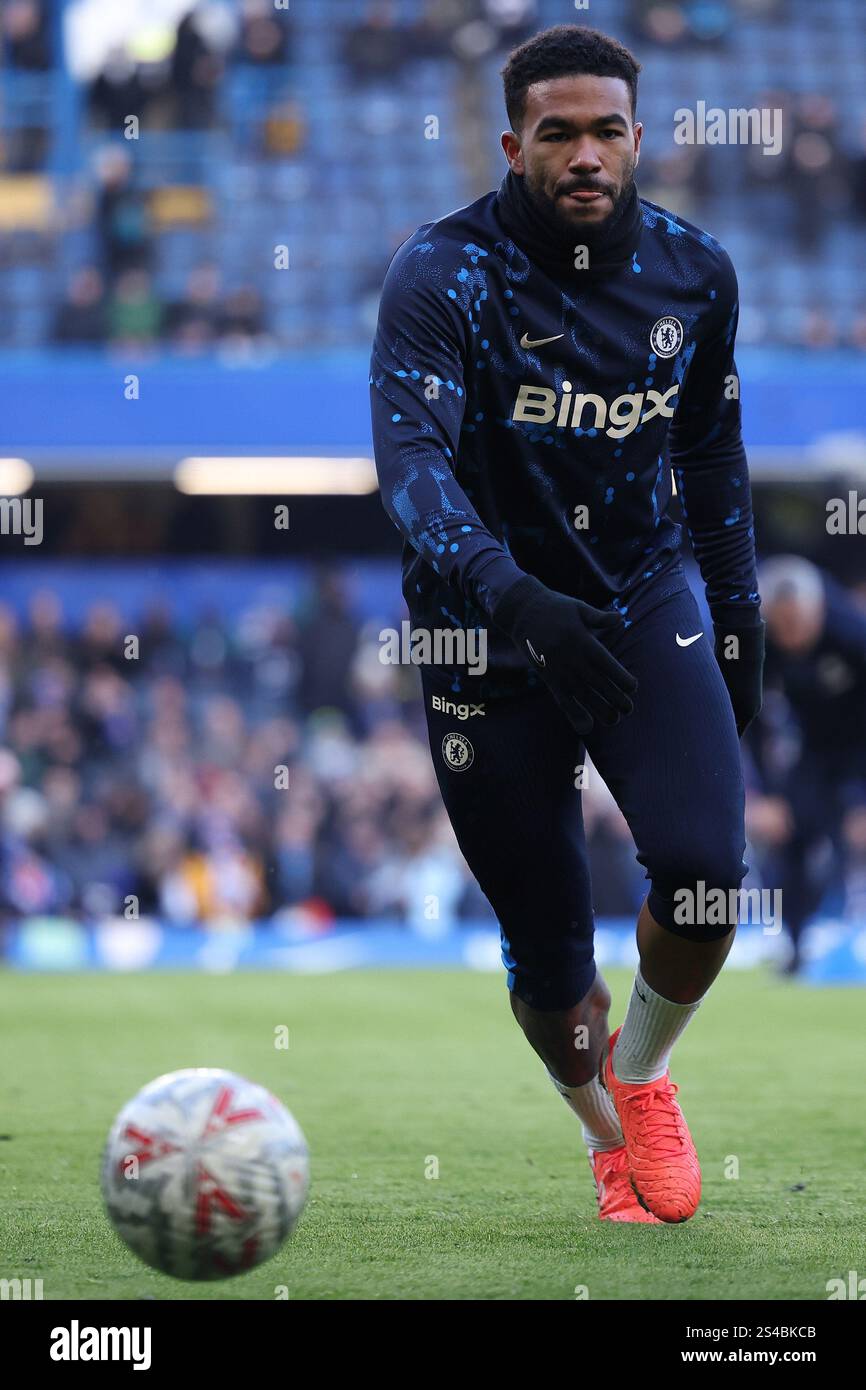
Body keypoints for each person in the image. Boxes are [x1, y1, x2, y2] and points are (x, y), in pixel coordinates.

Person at [369, 24, 764, 1224]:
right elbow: (411, 468)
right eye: (557, 133)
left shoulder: (695, 275)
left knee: (703, 875)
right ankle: (603, 1140)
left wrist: (735, 627)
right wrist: (513, 599)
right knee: (546, 957)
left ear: (636, 139)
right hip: (482, 631)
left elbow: (708, 453)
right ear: (512, 145)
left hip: (639, 598)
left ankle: (638, 1080)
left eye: (604, 131)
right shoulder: (440, 274)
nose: (584, 154)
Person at [752, 555, 866, 973]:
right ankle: (795, 947)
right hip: (814, 750)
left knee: (853, 837)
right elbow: (754, 722)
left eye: (797, 623)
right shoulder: (761, 644)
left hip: (860, 749)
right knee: (791, 836)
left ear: (817, 609)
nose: (791, 636)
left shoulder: (851, 633)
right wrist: (766, 794)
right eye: (780, 627)